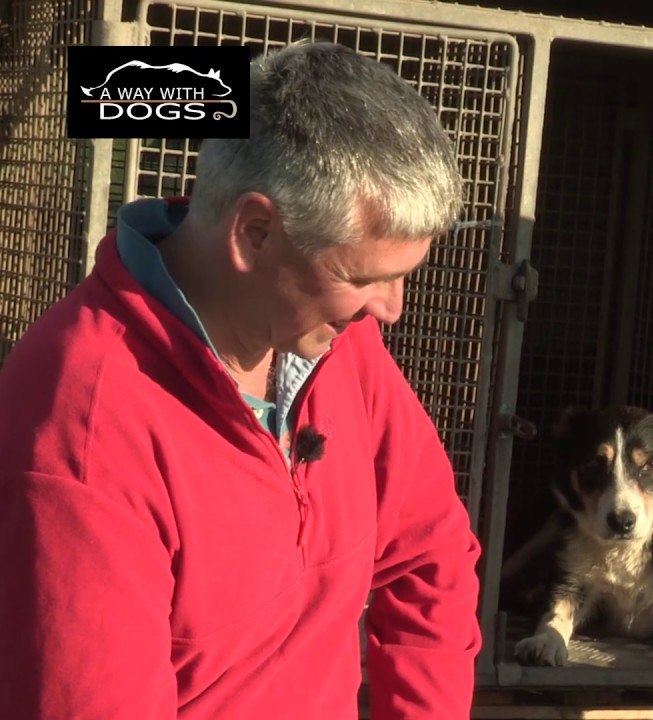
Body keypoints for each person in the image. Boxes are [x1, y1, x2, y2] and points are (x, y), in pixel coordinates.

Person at [0, 41, 481, 718]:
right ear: (254, 231)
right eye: (365, 277)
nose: (391, 309)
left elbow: (431, 551)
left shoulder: (341, 344)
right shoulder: (83, 429)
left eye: (404, 275)